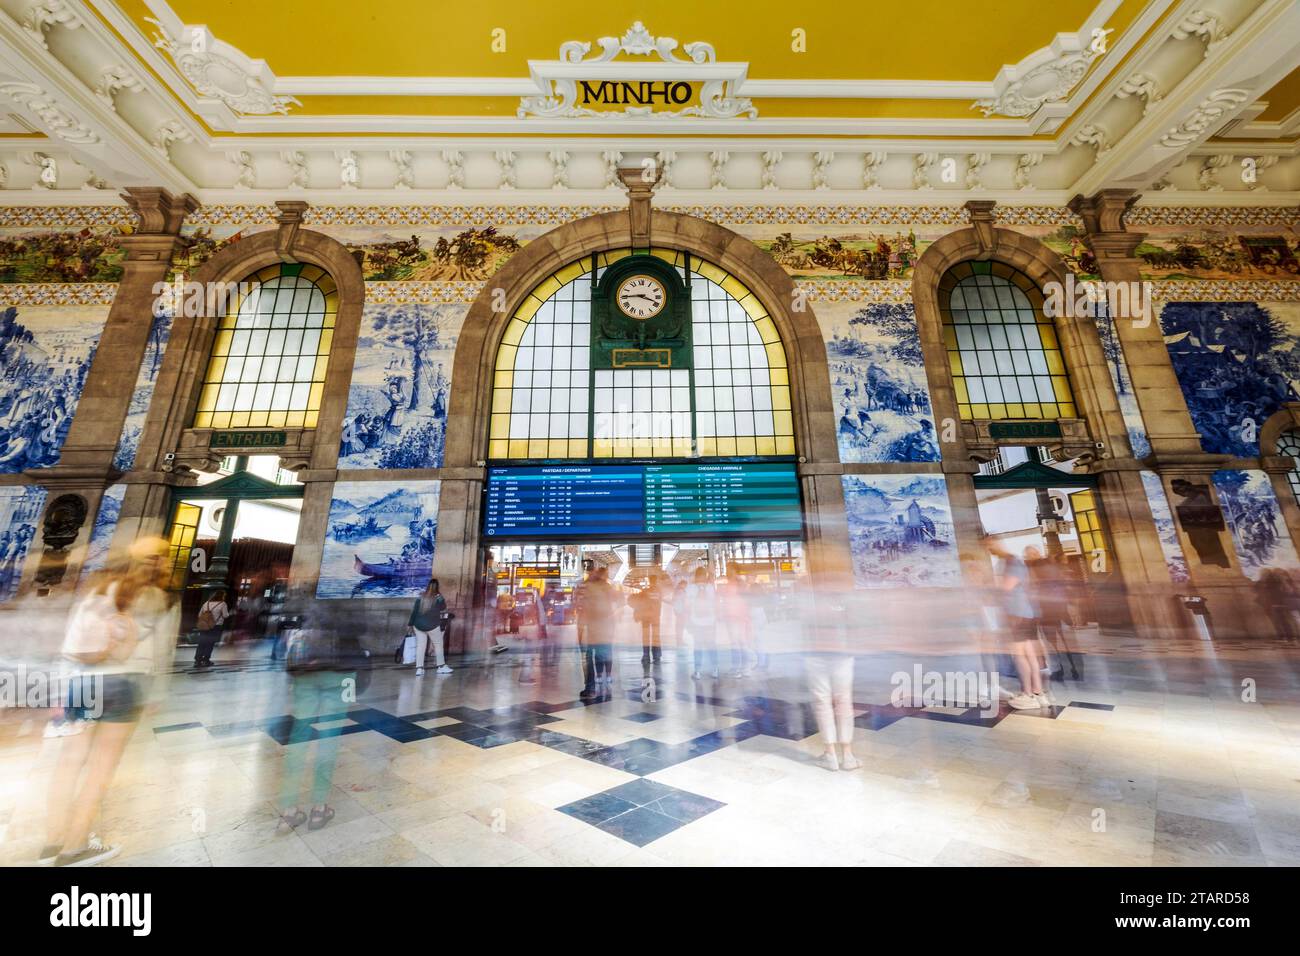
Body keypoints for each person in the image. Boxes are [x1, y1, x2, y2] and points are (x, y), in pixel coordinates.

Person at [41, 536, 179, 866]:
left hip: (82, 682)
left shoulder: (98, 590)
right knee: (101, 769)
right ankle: (75, 848)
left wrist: (62, 687)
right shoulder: (160, 598)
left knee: (68, 763)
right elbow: (162, 651)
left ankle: (50, 843)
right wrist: (157, 694)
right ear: (160, 562)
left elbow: (72, 640)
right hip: (125, 684)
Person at [278, 603, 372, 834]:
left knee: (298, 738)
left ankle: (289, 812)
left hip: (306, 672)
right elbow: (362, 629)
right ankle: (319, 808)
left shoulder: (316, 598)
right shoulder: (349, 605)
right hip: (339, 673)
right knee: (329, 738)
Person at [986, 538, 1049, 710]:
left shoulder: (1011, 561)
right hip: (1025, 614)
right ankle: (1039, 693)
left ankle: (1027, 694)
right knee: (1029, 655)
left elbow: (1006, 587)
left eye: (990, 545)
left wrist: (990, 591)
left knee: (1020, 656)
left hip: (1016, 616)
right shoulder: (1014, 561)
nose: (989, 550)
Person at [408, 578, 451, 676]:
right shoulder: (438, 597)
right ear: (437, 587)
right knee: (438, 645)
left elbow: (414, 611)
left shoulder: (421, 596)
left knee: (420, 646)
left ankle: (419, 669)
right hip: (432, 625)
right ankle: (441, 667)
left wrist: (410, 624)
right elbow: (443, 608)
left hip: (418, 625)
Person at [687, 567, 719, 680]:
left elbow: (687, 605)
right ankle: (715, 670)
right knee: (711, 645)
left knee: (698, 646)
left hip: (696, 622)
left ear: (696, 576)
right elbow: (715, 603)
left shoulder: (690, 588)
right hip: (710, 621)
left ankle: (697, 672)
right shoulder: (710, 587)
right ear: (705, 575)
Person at [193, 588, 230, 669]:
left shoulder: (206, 603)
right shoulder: (223, 604)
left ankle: (197, 660)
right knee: (210, 643)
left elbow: (200, 615)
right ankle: (206, 660)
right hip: (215, 626)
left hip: (204, 626)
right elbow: (225, 615)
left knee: (201, 643)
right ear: (223, 596)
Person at [634, 574, 663, 675]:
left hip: (646, 617)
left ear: (650, 581)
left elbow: (639, 603)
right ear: (656, 581)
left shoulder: (645, 591)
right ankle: (657, 656)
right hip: (656, 617)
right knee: (656, 637)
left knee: (645, 637)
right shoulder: (659, 592)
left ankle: (646, 656)